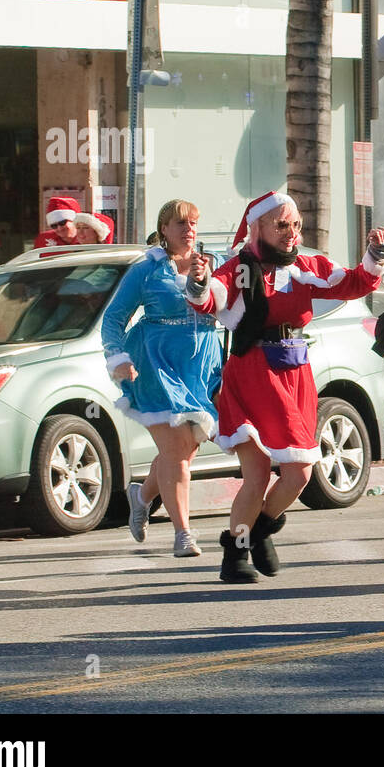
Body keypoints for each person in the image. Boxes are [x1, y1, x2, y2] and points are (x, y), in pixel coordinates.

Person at [186, 191, 384, 583]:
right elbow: (211, 299)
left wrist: (376, 254)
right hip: (252, 375)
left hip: (295, 374)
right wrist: (198, 283)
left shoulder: (304, 265)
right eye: (282, 225)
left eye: (296, 225)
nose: (291, 233)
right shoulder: (239, 268)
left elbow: (351, 283)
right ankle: (237, 555)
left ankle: (258, 531)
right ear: (258, 227)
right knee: (260, 472)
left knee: (298, 472)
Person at [102, 199, 221, 557]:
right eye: (180, 223)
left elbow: (235, 304)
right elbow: (113, 318)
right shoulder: (147, 270)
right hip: (155, 365)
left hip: (201, 368)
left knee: (184, 449)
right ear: (164, 229)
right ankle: (184, 534)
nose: (189, 230)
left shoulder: (213, 263)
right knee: (175, 453)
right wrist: (118, 358)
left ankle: (141, 495)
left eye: (193, 223)